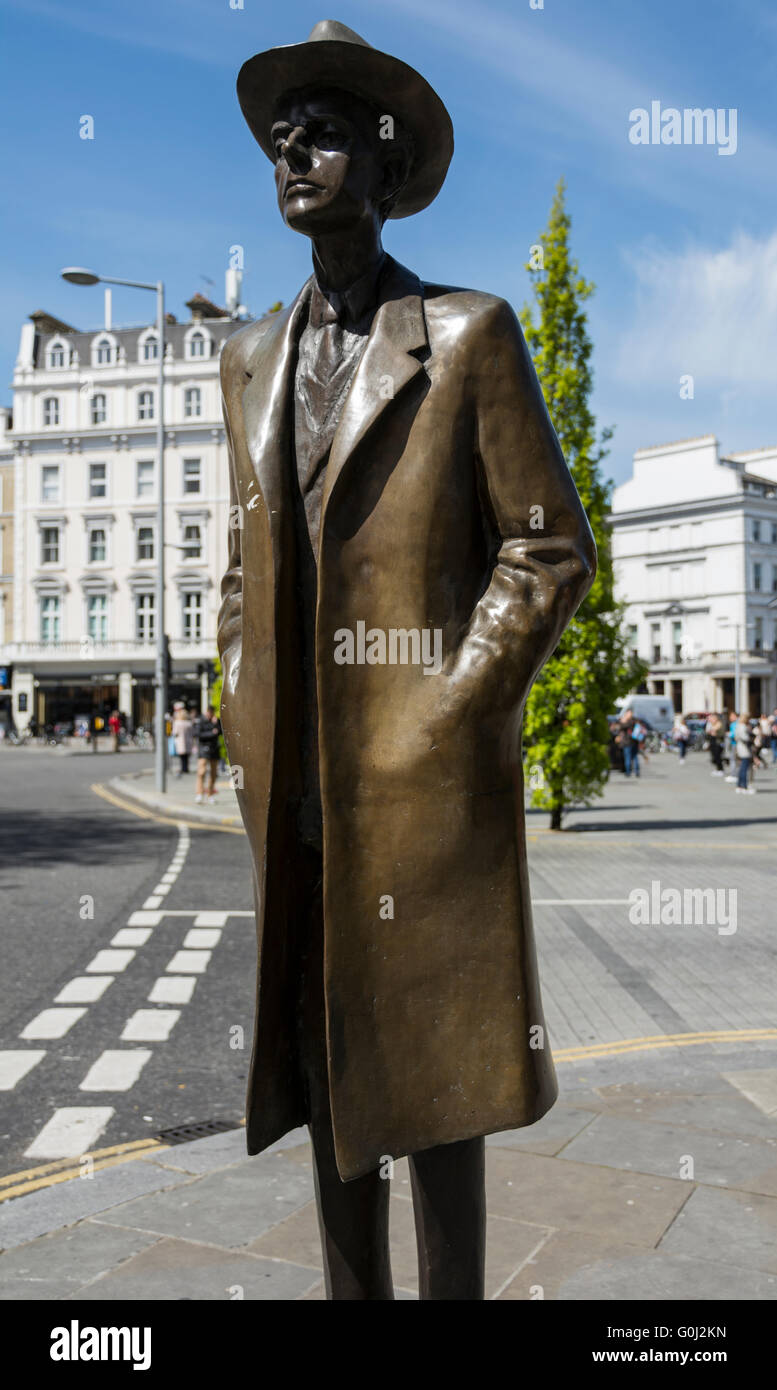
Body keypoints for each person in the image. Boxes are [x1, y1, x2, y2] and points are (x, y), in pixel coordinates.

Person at [217, 20, 596, 1300]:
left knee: (437, 1089)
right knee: (326, 1081)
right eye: (283, 136)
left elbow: (546, 549)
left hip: (424, 788)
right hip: (301, 793)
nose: (294, 152)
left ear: (384, 166)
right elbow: (242, 563)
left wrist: (449, 710)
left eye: (323, 132)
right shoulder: (246, 359)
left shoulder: (468, 337)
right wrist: (238, 706)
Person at [194, 705, 221, 802]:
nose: (210, 715)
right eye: (209, 713)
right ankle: (199, 793)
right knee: (201, 772)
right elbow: (197, 734)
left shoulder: (216, 721)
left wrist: (216, 724)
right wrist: (212, 733)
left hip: (214, 750)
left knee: (213, 774)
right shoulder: (201, 720)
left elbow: (220, 732)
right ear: (206, 712)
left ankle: (210, 794)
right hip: (203, 750)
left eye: (212, 713)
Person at [735, 713, 755, 793]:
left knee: (741, 768)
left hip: (740, 747)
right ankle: (744, 786)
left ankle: (739, 785)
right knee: (744, 768)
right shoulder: (743, 726)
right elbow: (745, 737)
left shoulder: (738, 725)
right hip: (744, 748)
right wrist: (751, 737)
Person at [172, 702, 193, 775]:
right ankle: (186, 768)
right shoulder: (189, 723)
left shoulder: (177, 723)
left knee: (182, 757)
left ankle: (183, 768)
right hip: (188, 741)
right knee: (186, 756)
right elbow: (192, 732)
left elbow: (175, 732)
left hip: (180, 741)